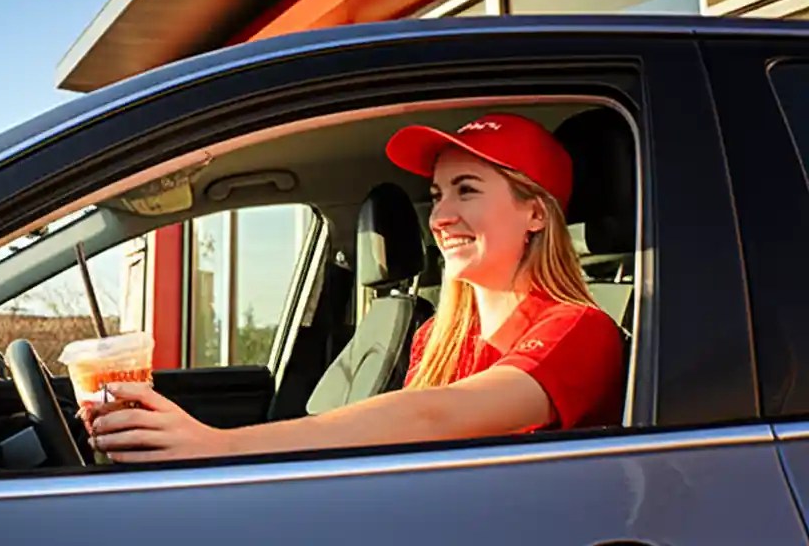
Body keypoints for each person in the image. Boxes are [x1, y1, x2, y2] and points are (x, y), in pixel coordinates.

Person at [83, 112, 627, 464]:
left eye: (467, 191)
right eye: (437, 194)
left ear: (535, 212)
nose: (441, 216)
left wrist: (217, 445)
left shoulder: (578, 330)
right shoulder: (435, 336)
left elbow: (432, 417)